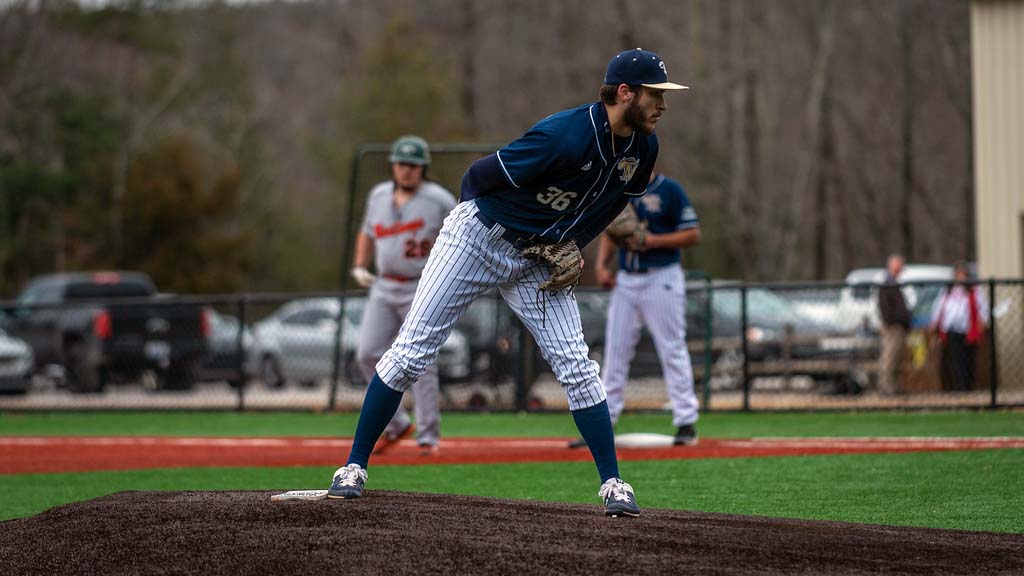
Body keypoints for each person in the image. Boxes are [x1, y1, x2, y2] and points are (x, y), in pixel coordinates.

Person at [327, 48, 688, 517]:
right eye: (655, 93)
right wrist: (476, 232)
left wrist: (570, 243)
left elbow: (607, 207)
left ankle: (614, 483)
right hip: (478, 238)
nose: (662, 103)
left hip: (537, 257)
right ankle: (353, 467)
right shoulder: (564, 136)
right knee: (412, 351)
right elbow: (477, 177)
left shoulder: (644, 148)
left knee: (577, 365)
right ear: (625, 92)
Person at [569, 171, 701, 448]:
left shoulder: (670, 190)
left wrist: (653, 241)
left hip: (661, 275)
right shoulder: (622, 189)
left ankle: (686, 421)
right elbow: (612, 230)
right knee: (615, 352)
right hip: (627, 279)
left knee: (671, 348)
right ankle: (603, 423)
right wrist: (602, 265)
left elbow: (692, 234)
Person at [350, 135, 456, 456]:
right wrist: (359, 265)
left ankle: (428, 436)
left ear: (423, 168)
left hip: (421, 285)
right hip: (384, 285)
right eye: (401, 164)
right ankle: (397, 423)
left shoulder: (438, 199)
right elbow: (368, 232)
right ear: (393, 166)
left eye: (413, 165)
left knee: (422, 361)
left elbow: (464, 232)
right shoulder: (379, 195)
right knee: (367, 353)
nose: (406, 170)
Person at [930, 261, 988, 392]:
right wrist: (935, 322)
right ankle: (960, 387)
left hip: (968, 329)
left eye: (963, 275)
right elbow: (939, 307)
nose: (960, 278)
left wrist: (982, 322)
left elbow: (983, 308)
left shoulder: (974, 291)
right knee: (957, 359)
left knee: (969, 358)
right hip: (952, 329)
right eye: (958, 275)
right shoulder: (948, 291)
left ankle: (968, 385)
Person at [877, 254, 911, 395]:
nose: (901, 269)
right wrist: (889, 322)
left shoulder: (895, 283)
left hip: (900, 326)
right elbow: (884, 307)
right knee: (889, 359)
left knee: (897, 359)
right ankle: (886, 387)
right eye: (899, 265)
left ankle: (895, 387)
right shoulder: (887, 283)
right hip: (892, 327)